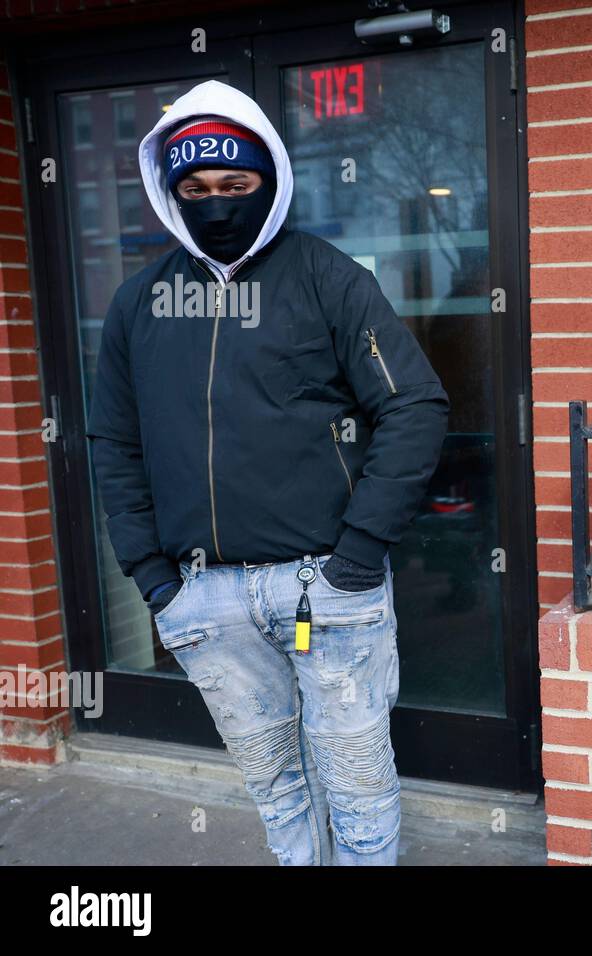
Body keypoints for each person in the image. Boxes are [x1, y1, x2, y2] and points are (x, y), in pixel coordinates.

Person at [86, 79, 450, 865]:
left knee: (354, 785)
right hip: (204, 597)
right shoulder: (140, 303)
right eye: (197, 189)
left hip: (328, 587)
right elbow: (113, 441)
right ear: (172, 191)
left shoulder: (327, 277)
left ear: (269, 180)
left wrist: (359, 553)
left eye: (236, 185)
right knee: (275, 788)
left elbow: (414, 405)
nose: (217, 203)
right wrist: (153, 576)